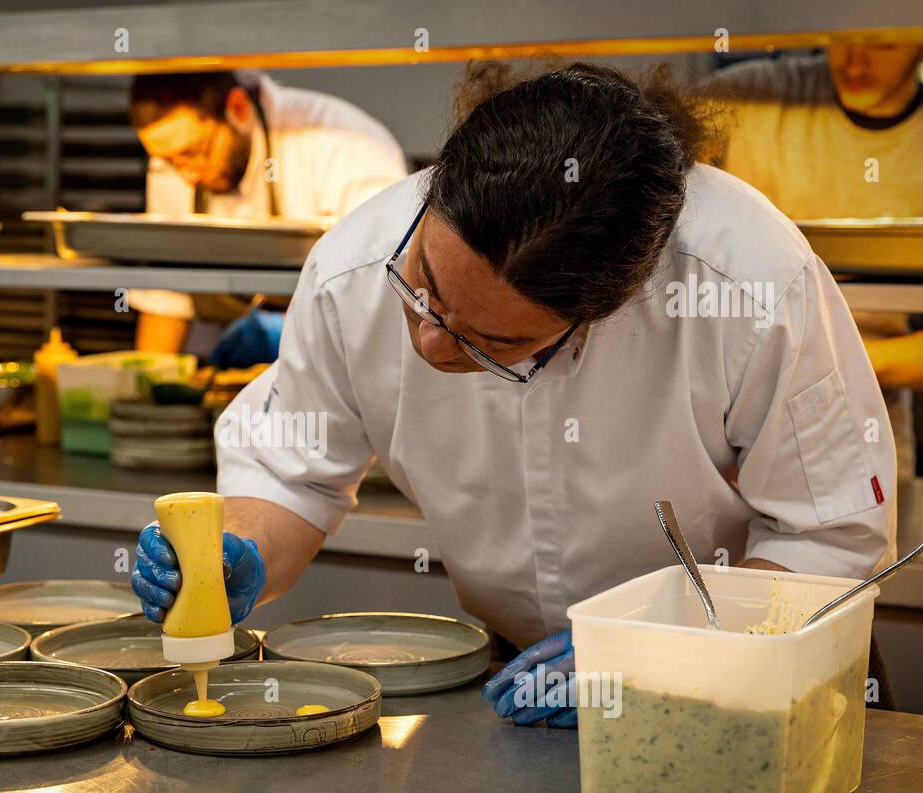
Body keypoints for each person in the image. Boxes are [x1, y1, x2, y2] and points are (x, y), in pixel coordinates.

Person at [132, 63, 897, 727]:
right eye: (425, 287)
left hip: (747, 688)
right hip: (525, 680)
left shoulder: (747, 283)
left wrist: (661, 651)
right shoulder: (354, 267)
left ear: (603, 313)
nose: (429, 341)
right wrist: (244, 551)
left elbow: (826, 538)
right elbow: (290, 476)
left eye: (491, 344)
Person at [707, 42, 923, 498]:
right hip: (717, 421)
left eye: (883, 45)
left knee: (845, 563)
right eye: (841, 40)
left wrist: (836, 365)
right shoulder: (755, 98)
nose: (855, 61)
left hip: (858, 425)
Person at [126, 70, 408, 366]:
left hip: (345, 363)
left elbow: (385, 283)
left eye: (195, 153)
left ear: (237, 108)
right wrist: (143, 390)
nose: (187, 176)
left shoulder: (340, 142)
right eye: (170, 163)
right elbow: (165, 299)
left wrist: (290, 334)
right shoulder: (176, 161)